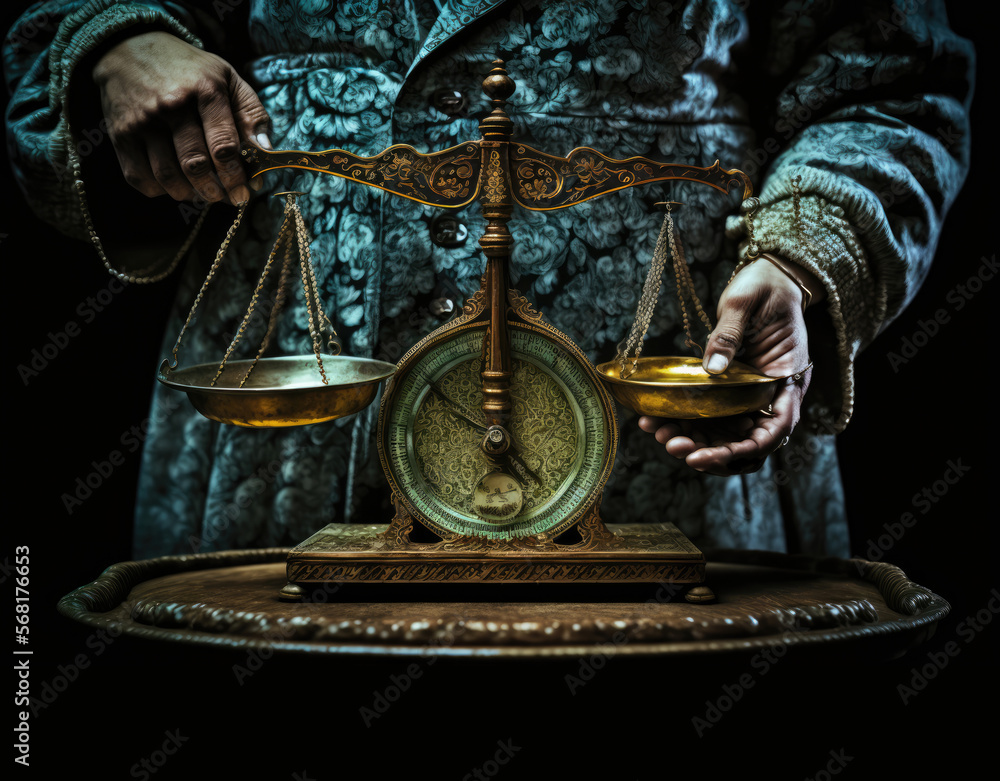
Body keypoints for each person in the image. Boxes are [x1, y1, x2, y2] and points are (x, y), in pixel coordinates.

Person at [5, 0, 973, 558]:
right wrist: (116, 41)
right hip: (309, 360)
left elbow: (894, 80)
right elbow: (68, 10)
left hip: (653, 384)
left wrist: (802, 252)